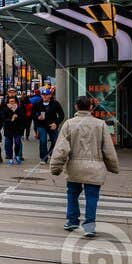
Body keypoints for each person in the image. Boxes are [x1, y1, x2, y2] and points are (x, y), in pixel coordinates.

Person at [51, 95, 121, 238]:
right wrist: (113, 166)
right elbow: (108, 149)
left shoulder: (69, 124)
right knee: (92, 197)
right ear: (90, 107)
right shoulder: (100, 124)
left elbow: (61, 149)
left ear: (76, 107)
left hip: (75, 166)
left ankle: (72, 221)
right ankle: (89, 226)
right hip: (95, 167)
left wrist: (56, 167)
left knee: (72, 194)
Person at [34, 85, 65, 162]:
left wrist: (56, 123)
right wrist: (38, 117)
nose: (45, 96)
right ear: (41, 95)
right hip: (42, 125)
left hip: (52, 125)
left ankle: (50, 153)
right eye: (43, 95)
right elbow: (33, 114)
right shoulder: (38, 104)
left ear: (50, 95)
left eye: (47, 95)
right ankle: (44, 158)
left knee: (55, 141)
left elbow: (61, 115)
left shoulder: (55, 103)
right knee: (43, 141)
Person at [2, 96, 31, 165]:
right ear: (8, 102)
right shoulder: (5, 109)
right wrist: (10, 119)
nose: (12, 102)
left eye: (13, 101)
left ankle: (17, 155)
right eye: (10, 101)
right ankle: (10, 158)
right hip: (8, 129)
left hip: (18, 129)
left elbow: (24, 117)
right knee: (9, 144)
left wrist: (18, 117)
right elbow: (3, 118)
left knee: (17, 143)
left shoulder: (19, 108)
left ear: (16, 101)